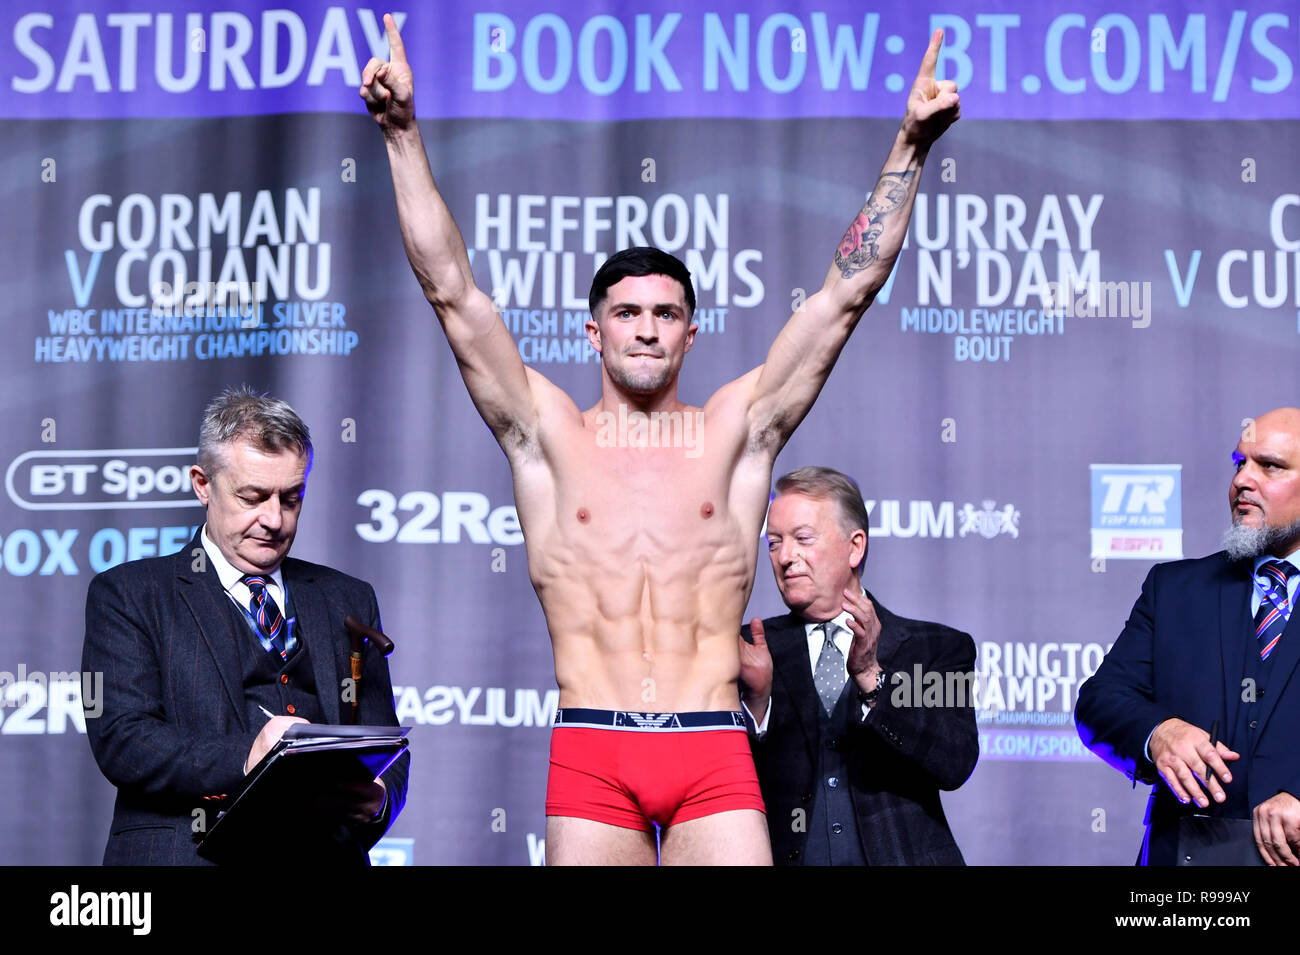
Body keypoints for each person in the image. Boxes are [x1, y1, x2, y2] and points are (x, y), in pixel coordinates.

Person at [362, 15, 960, 864]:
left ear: (690, 335)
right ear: (593, 332)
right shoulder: (545, 435)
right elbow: (452, 291)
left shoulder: (736, 432)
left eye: (666, 315)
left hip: (711, 746)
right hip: (592, 748)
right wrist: (401, 134)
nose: (646, 330)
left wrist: (909, 145)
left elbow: (841, 298)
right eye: (627, 314)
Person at [82, 386, 408, 865]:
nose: (273, 520)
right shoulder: (130, 593)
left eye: (291, 498)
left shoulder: (348, 598)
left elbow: (389, 746)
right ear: (202, 484)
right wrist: (249, 755)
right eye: (252, 497)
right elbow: (123, 741)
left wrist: (379, 799)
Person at [1077, 407, 1300, 866]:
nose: (1242, 480)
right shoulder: (1176, 589)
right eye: (1240, 463)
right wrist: (1158, 732)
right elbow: (1100, 701)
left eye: (1270, 466)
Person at [740, 467, 978, 864]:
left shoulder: (936, 647)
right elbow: (718, 791)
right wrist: (758, 704)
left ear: (855, 547)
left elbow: (954, 763)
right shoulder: (749, 649)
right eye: (774, 543)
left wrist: (872, 678)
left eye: (802, 538)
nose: (784, 557)